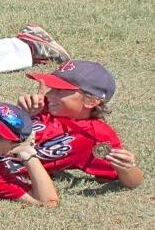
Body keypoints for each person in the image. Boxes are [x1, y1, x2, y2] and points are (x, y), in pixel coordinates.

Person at [14, 60, 143, 188]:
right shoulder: (40, 106)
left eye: (60, 90)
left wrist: (127, 167)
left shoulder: (94, 135)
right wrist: (23, 114)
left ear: (90, 101)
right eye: (52, 88)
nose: (49, 94)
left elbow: (133, 181)